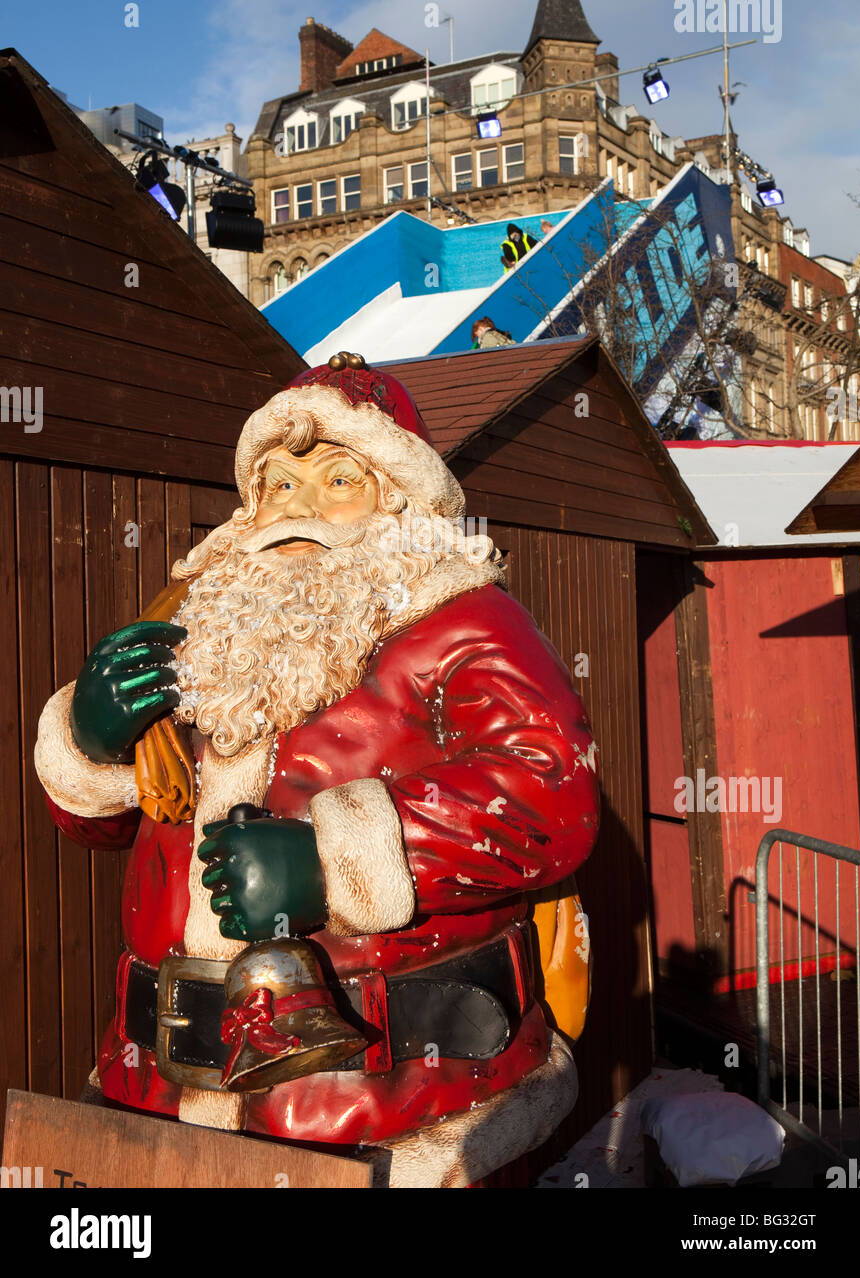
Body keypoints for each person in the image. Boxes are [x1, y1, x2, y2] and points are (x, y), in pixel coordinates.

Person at [34, 350, 599, 1188]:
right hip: (159, 1090)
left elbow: (552, 789)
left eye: (341, 480)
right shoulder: (201, 624)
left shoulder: (462, 622)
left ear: (401, 500)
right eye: (283, 486)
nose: (303, 511)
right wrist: (89, 741)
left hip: (387, 1106)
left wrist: (335, 858)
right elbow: (100, 827)